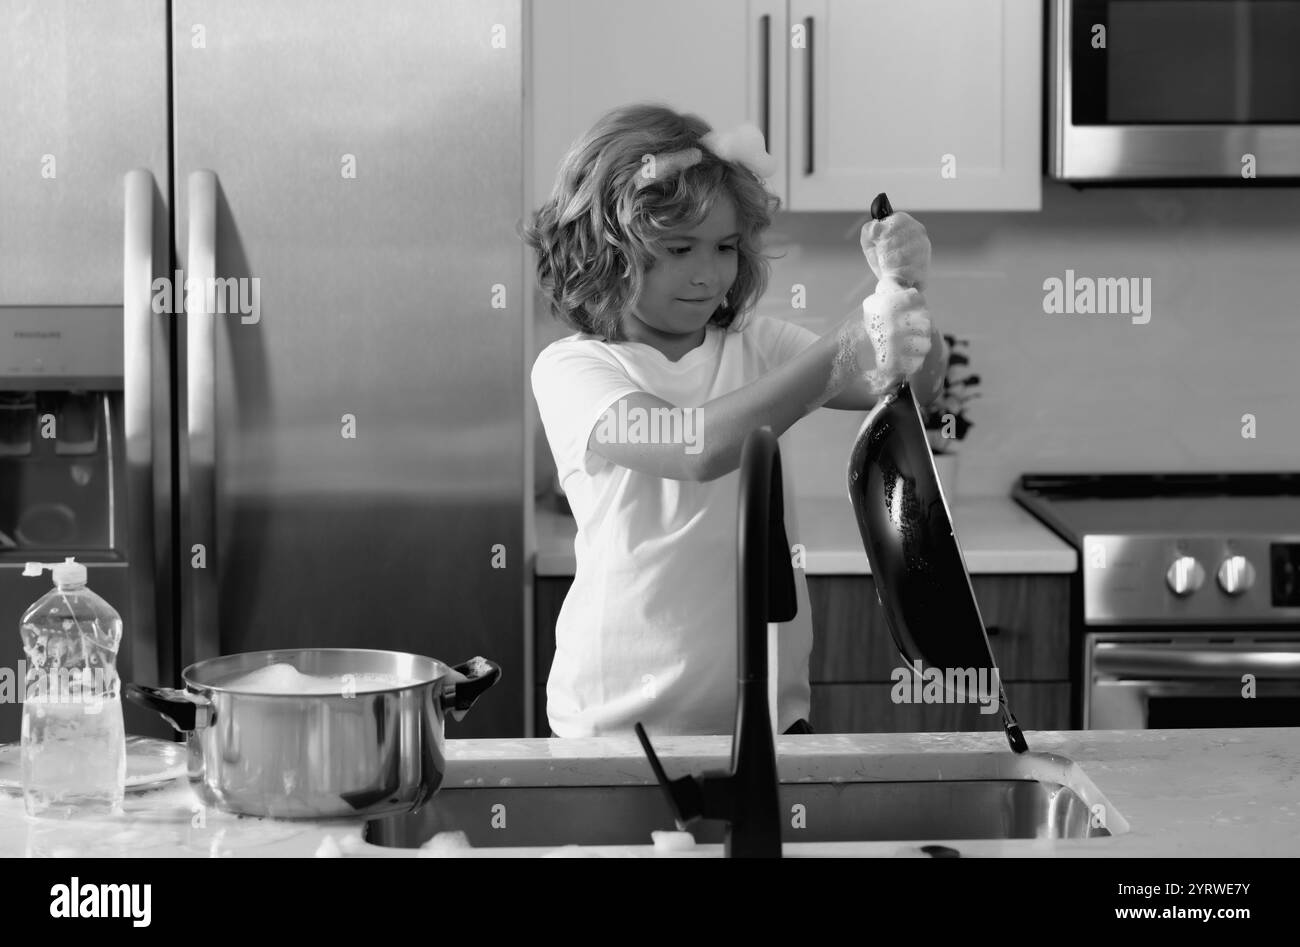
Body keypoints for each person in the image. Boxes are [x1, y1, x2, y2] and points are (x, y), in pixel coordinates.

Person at [524, 103, 945, 738]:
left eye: (724, 247)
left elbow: (904, 385)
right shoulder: (572, 368)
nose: (708, 273)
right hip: (617, 723)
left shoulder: (755, 342)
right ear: (602, 250)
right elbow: (692, 446)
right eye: (677, 248)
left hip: (769, 716)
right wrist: (849, 339)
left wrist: (902, 292)